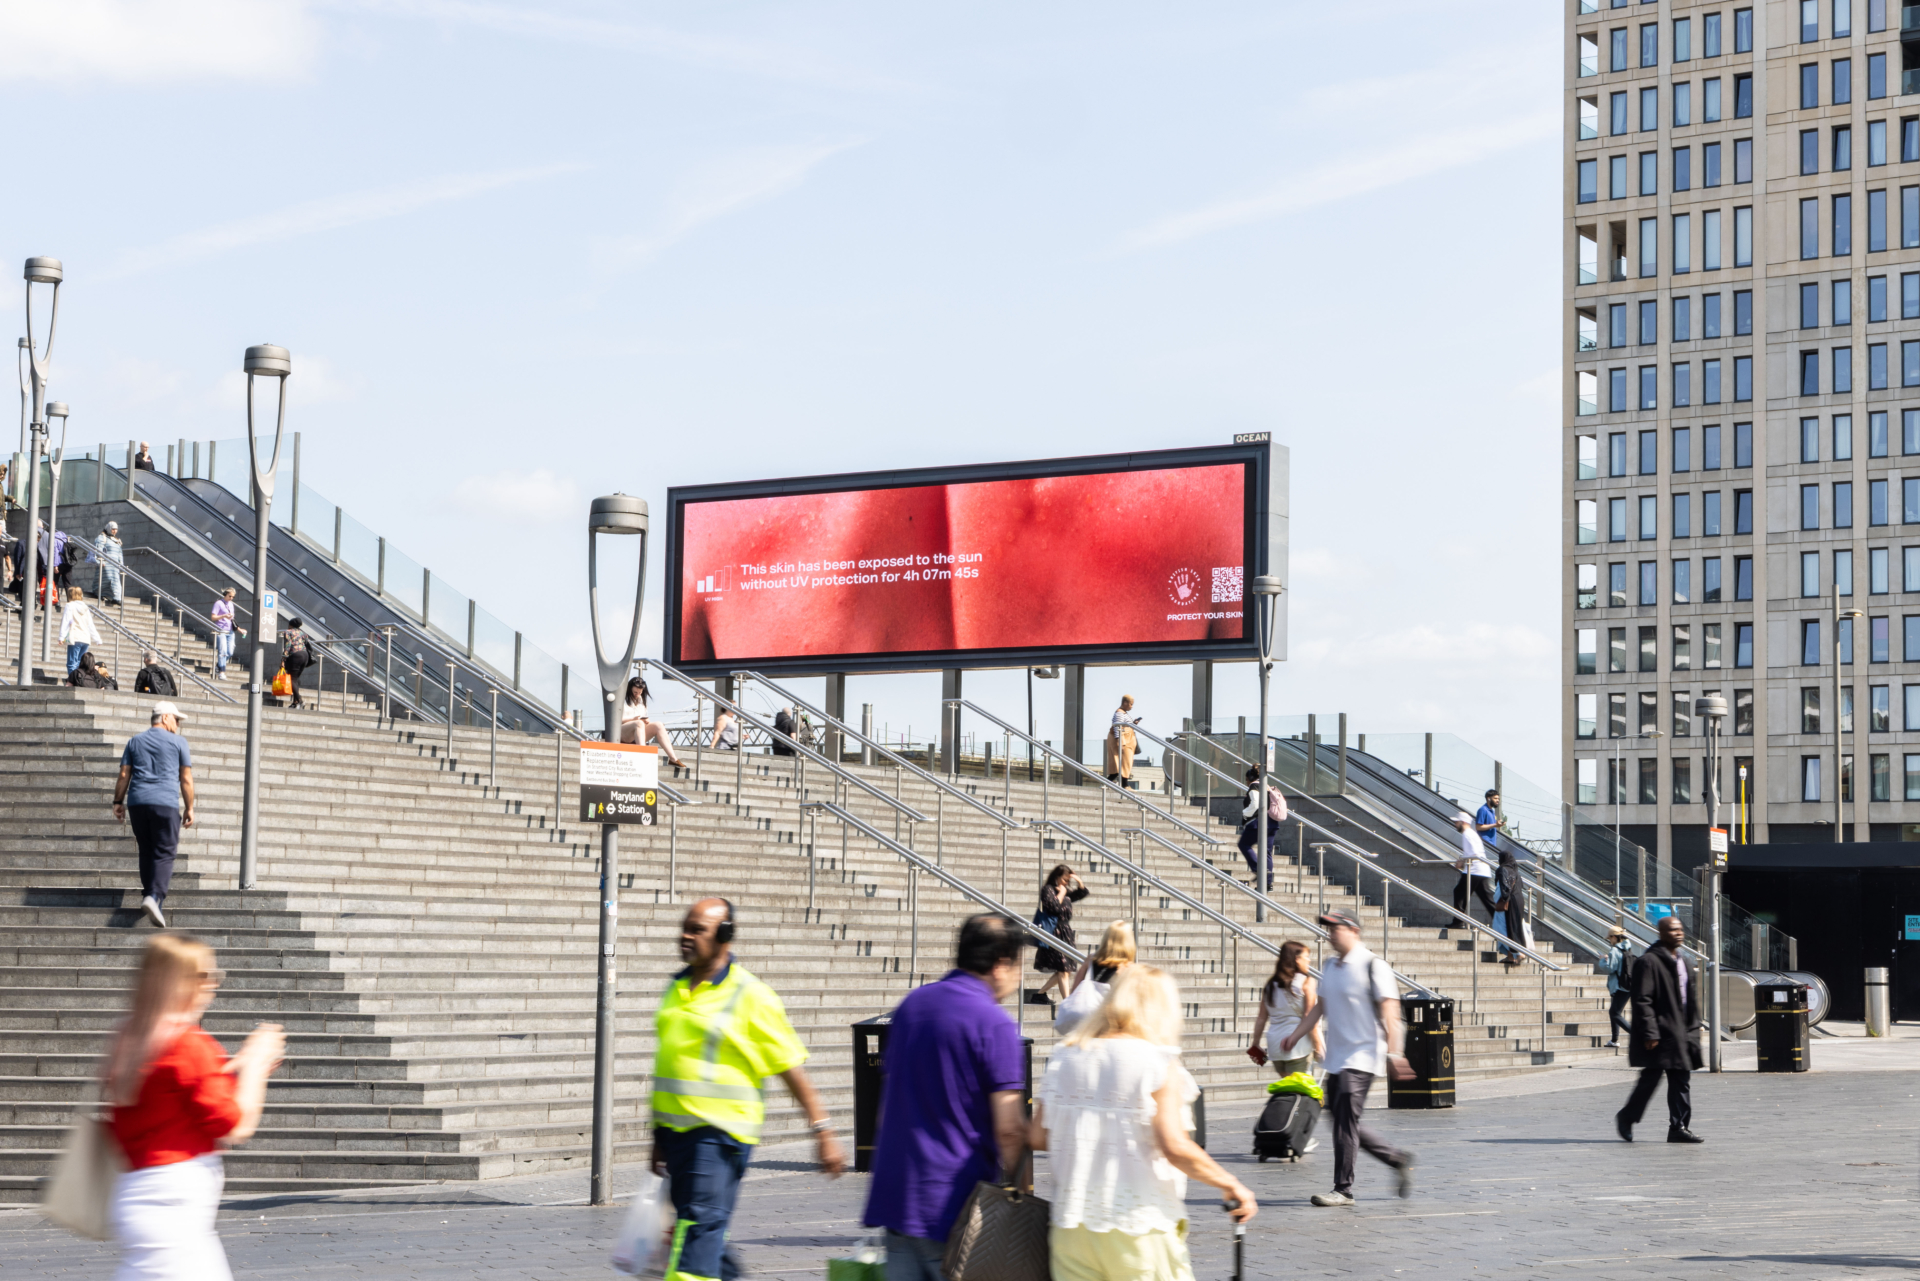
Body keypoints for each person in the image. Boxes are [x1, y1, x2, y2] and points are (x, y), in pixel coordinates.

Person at [652, 898, 844, 1281]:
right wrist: (657, 1137)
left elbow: (791, 1069)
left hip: (719, 1137)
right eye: (685, 927)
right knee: (704, 1235)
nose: (685, 936)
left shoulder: (751, 995)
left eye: (697, 930)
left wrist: (822, 1130)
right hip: (676, 1137)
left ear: (724, 937)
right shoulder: (676, 987)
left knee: (697, 1233)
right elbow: (668, 1065)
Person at [1031, 965, 1256, 1281]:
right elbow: (1174, 1146)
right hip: (1138, 1226)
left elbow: (1039, 1136)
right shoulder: (1157, 1062)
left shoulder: (1064, 1056)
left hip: (1072, 1227)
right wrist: (1229, 1183)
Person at [103, 933, 285, 1280]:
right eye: (205, 976)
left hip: (140, 1199)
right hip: (176, 1208)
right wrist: (257, 1065)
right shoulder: (190, 1045)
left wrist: (236, 1067)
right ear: (180, 983)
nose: (214, 984)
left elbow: (176, 1096)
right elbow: (235, 1125)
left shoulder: (130, 1038)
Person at [863, 914, 1030, 1280]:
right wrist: (1019, 1192)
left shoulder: (912, 1007)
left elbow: (886, 1104)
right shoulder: (994, 1023)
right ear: (1002, 962)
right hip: (954, 1205)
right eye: (1019, 965)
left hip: (898, 1196)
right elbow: (1010, 1130)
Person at [1280, 908, 1414, 1206]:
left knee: (1344, 1122)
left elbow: (1391, 1011)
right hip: (1338, 1057)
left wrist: (1395, 1054)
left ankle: (1343, 1189)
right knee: (1342, 1120)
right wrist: (1297, 1034)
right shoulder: (1330, 966)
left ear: (1353, 930)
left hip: (1364, 1056)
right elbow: (1320, 1007)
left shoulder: (1373, 965)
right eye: (1327, 929)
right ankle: (1397, 1158)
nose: (1330, 934)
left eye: (1335, 928)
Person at [1614, 915, 1704, 1143]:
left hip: (1682, 1032)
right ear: (1662, 933)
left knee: (1681, 1081)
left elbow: (1689, 998)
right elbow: (1642, 1000)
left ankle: (1679, 1127)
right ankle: (1626, 1117)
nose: (1679, 933)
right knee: (1650, 1079)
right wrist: (1650, 1032)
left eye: (1680, 929)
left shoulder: (1683, 961)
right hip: (1661, 1034)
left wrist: (1695, 1026)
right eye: (1673, 930)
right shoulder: (1649, 962)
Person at [113, 702, 196, 930]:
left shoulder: (134, 741)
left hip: (138, 803)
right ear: (166, 717)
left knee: (147, 849)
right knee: (165, 851)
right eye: (177, 720)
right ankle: (155, 897)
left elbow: (123, 774)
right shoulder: (179, 742)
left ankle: (149, 893)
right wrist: (189, 807)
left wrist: (117, 801)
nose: (178, 725)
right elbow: (186, 779)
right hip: (165, 804)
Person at [1249, 939, 1323, 1080]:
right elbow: (1309, 1017)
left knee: (1287, 1088)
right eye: (1306, 956)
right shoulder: (1307, 982)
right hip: (1297, 1046)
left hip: (1275, 1047)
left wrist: (1256, 1044)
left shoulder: (1271, 985)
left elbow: (1261, 1019)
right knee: (1303, 1091)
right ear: (1297, 959)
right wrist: (1318, 1047)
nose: (1309, 960)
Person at [1055, 920, 1137, 1036]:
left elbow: (1075, 990)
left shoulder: (1091, 959)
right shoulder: (1128, 969)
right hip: (1111, 1027)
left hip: (1088, 1023)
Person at [1030, 864, 1088, 1005]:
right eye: (1064, 879)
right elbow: (1054, 907)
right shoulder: (1048, 890)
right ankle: (1068, 1004)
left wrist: (1079, 881)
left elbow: (1081, 894)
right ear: (1056, 876)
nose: (1066, 883)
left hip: (1066, 933)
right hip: (1054, 933)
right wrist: (1061, 893)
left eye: (1068, 881)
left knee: (1065, 970)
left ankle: (1039, 994)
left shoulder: (1065, 890)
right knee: (1063, 971)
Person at [1237, 765, 1287, 891]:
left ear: (1251, 777)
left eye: (1246, 779)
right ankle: (1267, 884)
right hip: (1272, 823)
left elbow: (1255, 804)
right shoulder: (1267, 786)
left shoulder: (1254, 786)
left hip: (1257, 823)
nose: (1246, 782)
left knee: (1244, 844)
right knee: (1267, 852)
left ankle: (1258, 869)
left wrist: (1245, 813)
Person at [618, 675, 685, 766]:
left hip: (637, 731)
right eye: (635, 692)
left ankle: (673, 758)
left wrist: (646, 721)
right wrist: (633, 719)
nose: (637, 694)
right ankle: (643, 754)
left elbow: (642, 717)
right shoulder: (622, 699)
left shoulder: (642, 700)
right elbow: (616, 720)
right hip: (622, 731)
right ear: (629, 689)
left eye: (640, 692)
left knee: (658, 725)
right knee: (638, 723)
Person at [1450, 811, 1498, 930]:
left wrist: (1462, 861)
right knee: (1488, 900)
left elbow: (1474, 853)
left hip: (1474, 870)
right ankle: (1504, 923)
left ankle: (1458, 921)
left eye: (1457, 822)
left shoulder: (1467, 834)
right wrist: (1463, 859)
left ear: (1463, 822)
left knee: (1459, 893)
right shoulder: (1472, 834)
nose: (1455, 824)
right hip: (1481, 870)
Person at [1492, 847, 1528, 966]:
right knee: (1516, 926)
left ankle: (1518, 952)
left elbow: (1504, 887)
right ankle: (1511, 956)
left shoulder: (1502, 869)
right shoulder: (1516, 871)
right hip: (1519, 901)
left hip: (1509, 901)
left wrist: (1499, 900)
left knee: (1506, 927)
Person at [59, 585, 102, 674]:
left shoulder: (69, 605)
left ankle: (73, 681)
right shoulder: (86, 608)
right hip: (85, 639)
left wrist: (61, 637)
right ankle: (80, 681)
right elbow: (90, 625)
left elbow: (65, 621)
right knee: (80, 663)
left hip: (75, 638)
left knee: (72, 663)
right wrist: (97, 639)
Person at [1602, 926, 1633, 1049]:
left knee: (1614, 1012)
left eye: (1610, 938)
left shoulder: (1615, 950)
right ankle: (1614, 1039)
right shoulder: (1628, 948)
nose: (1609, 940)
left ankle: (1637, 1035)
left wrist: (1603, 960)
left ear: (1614, 937)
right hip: (1628, 984)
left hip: (1619, 986)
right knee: (1615, 1012)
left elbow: (1610, 968)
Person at [1104, 695, 1141, 785]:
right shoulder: (1119, 713)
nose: (1132, 706)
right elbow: (1117, 726)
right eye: (1131, 704)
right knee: (1123, 763)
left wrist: (1133, 724)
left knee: (1123, 764)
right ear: (1125, 703)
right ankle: (1124, 785)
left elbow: (1124, 726)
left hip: (1127, 740)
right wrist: (1119, 741)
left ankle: (1112, 784)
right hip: (1123, 741)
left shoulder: (1124, 713)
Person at [280, 617, 312, 709]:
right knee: (295, 679)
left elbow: (287, 646)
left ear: (291, 625)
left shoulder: (288, 632)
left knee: (291, 679)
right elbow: (307, 644)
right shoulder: (303, 633)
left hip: (295, 655)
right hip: (305, 656)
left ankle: (300, 700)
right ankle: (295, 702)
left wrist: (283, 660)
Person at [93, 521, 124, 605]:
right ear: (109, 528)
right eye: (113, 529)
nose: (115, 531)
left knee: (115, 580)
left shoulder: (117, 540)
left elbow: (119, 553)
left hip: (115, 565)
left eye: (116, 529)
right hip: (105, 564)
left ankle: (116, 597)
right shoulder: (102, 537)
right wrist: (100, 560)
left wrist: (121, 565)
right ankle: (99, 593)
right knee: (104, 579)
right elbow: (98, 549)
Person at [209, 589, 237, 679]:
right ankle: (222, 672)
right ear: (225, 594)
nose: (231, 598)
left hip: (230, 631)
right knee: (223, 651)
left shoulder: (231, 605)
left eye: (233, 597)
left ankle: (218, 665)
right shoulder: (218, 603)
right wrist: (223, 616)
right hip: (221, 630)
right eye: (230, 596)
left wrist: (238, 628)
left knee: (230, 652)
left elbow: (232, 619)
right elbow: (213, 617)